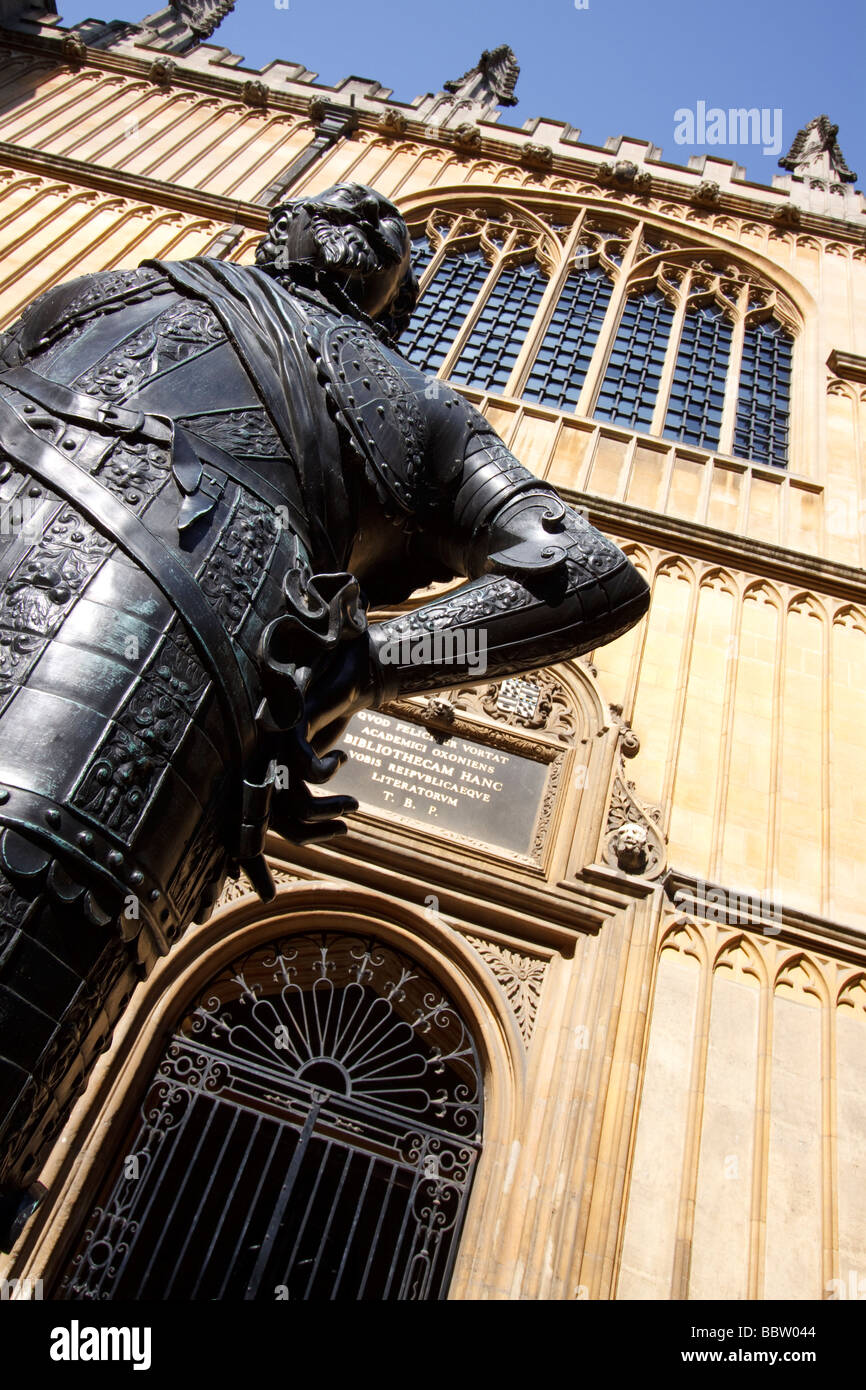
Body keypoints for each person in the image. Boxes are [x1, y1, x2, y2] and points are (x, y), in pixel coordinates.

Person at [0, 181, 649, 1242]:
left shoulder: (412, 410)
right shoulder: (110, 292)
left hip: (111, 713)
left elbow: (588, 569)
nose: (363, 207)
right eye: (343, 202)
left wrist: (371, 659)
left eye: (390, 227)